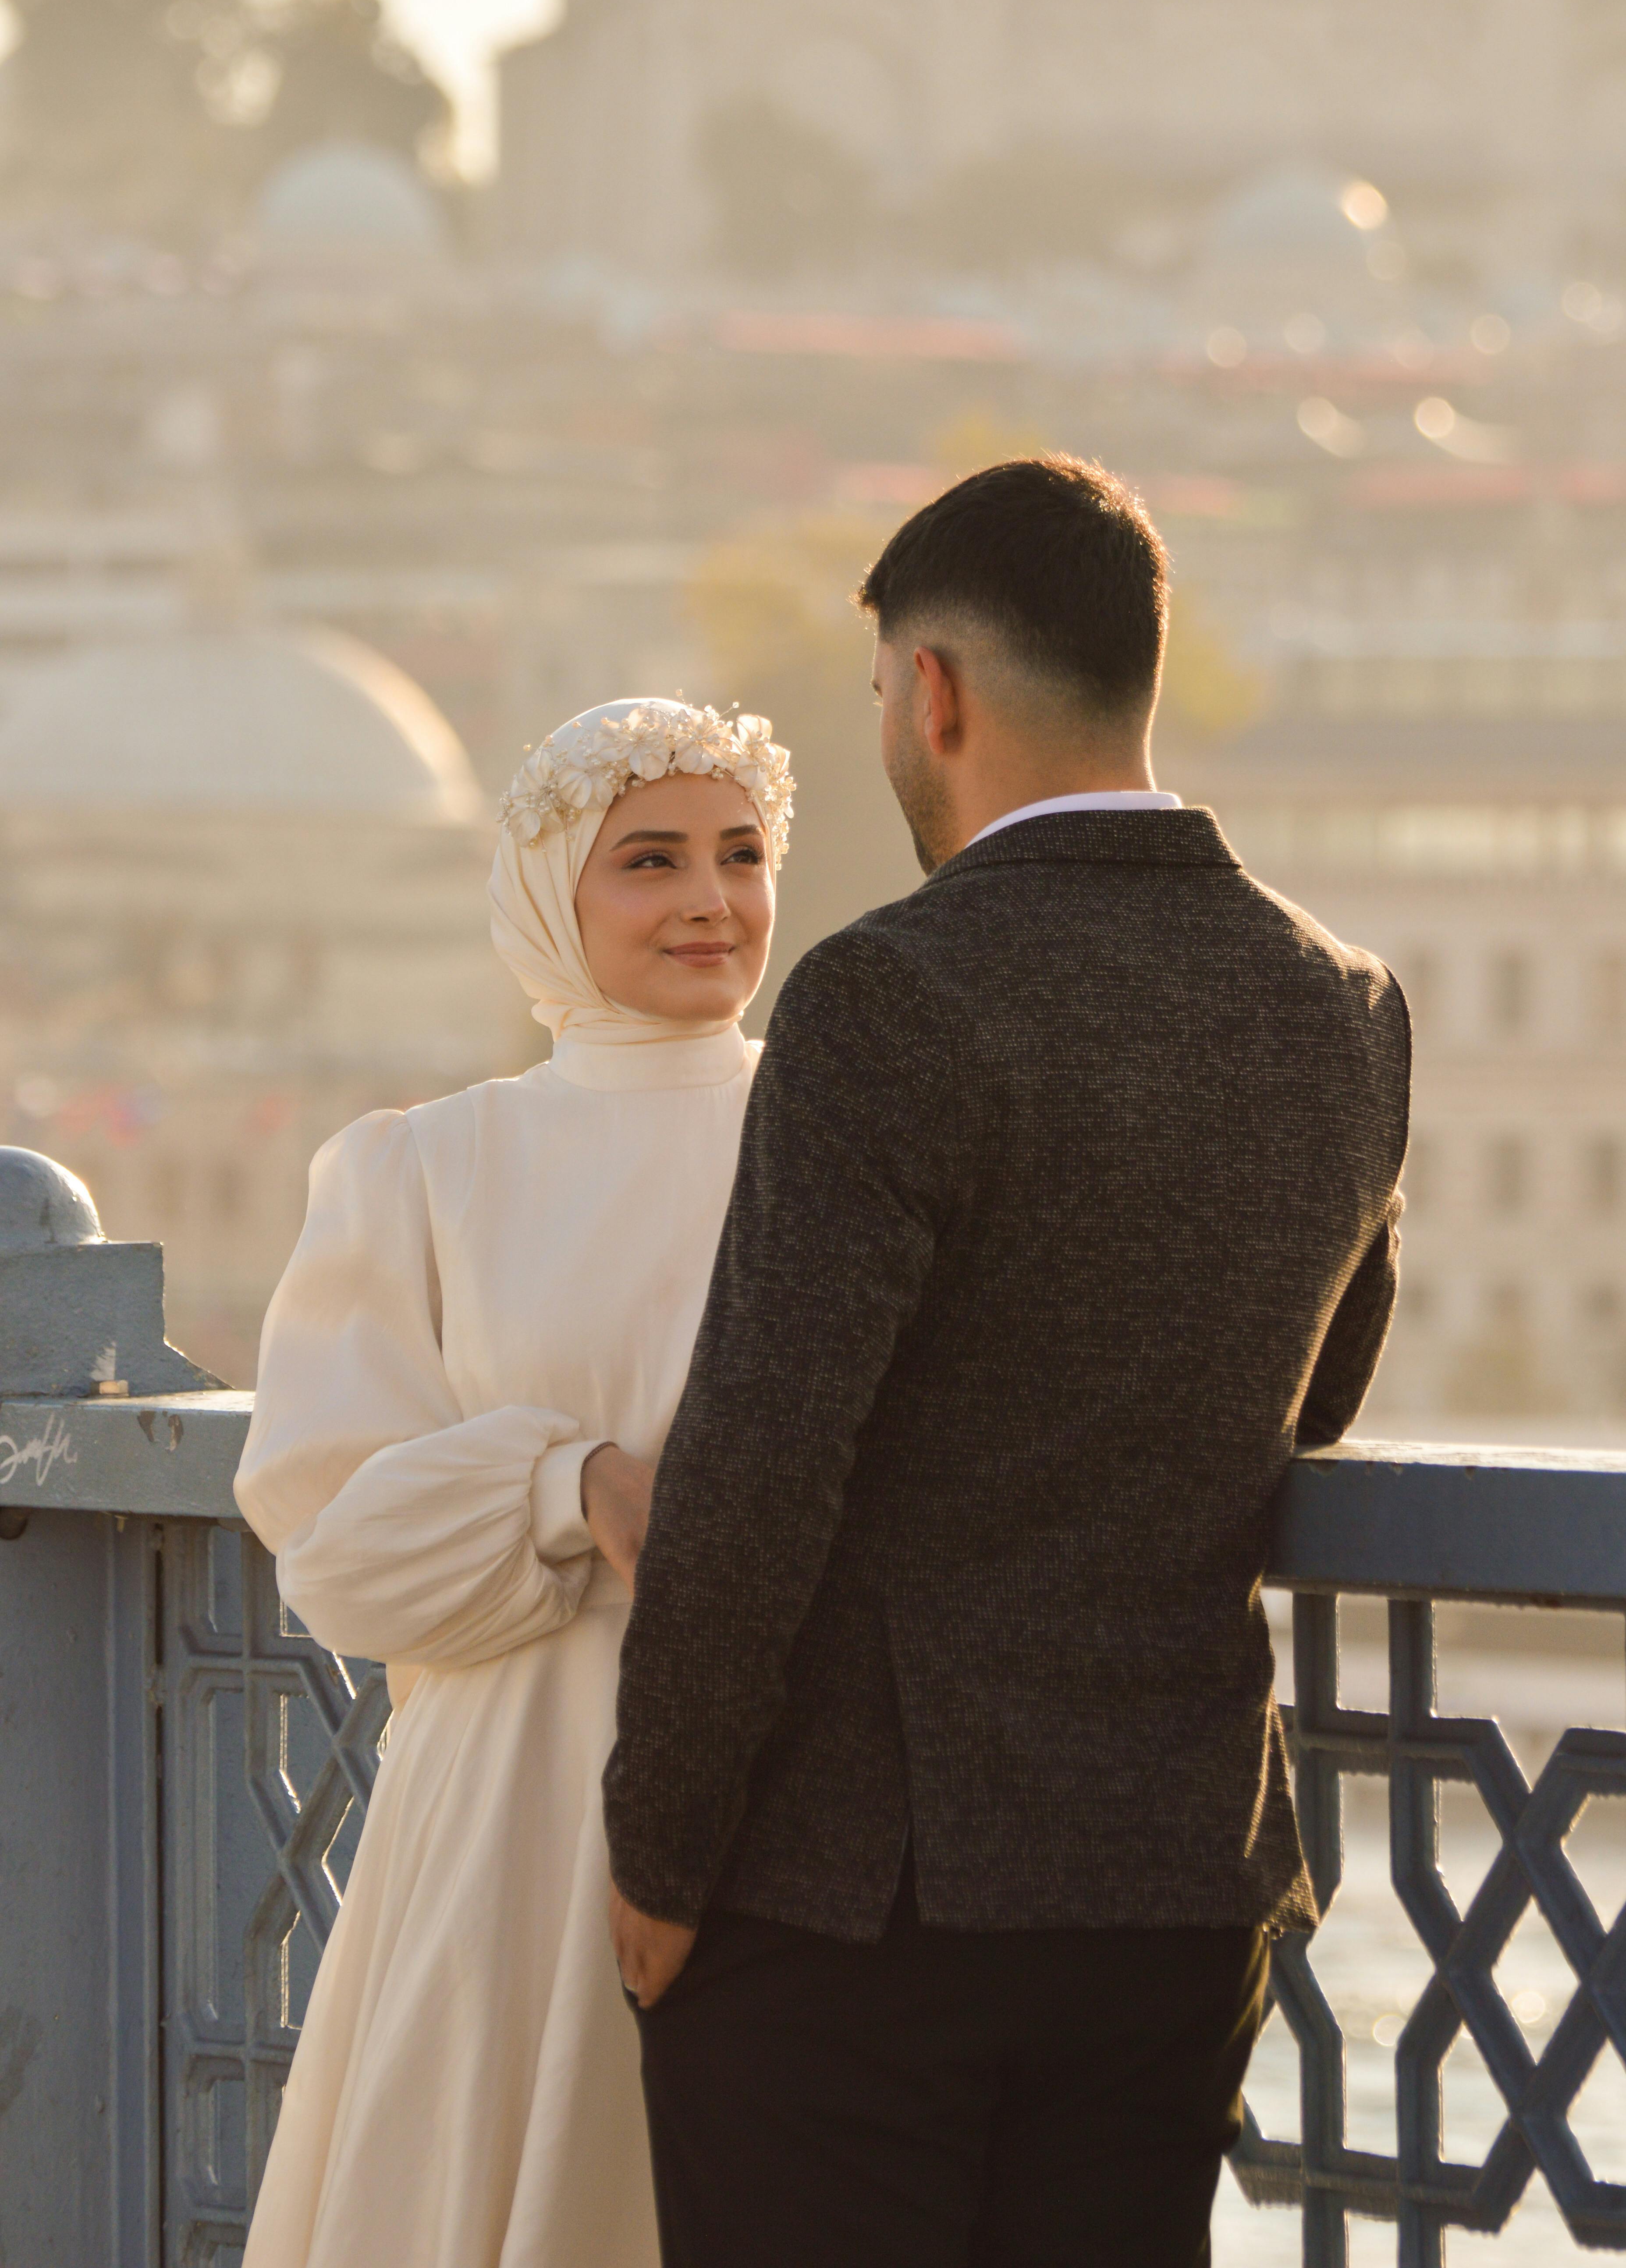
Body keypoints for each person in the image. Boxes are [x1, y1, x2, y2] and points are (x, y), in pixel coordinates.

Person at [604, 458, 1411, 2268]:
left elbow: (755, 1469)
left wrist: (659, 1857)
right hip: (1171, 1894)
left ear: (937, 692)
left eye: (889, 691)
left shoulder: (886, 996)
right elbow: (1320, 1392)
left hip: (854, 1909)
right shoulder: (1346, 1005)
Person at [232, 697, 794, 2268]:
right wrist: (567, 1487)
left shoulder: (842, 1141)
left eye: (744, 854)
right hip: (508, 1809)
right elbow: (334, 1548)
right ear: (553, 891)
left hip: (800, 1792)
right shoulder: (429, 1166)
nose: (710, 897)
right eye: (650, 860)